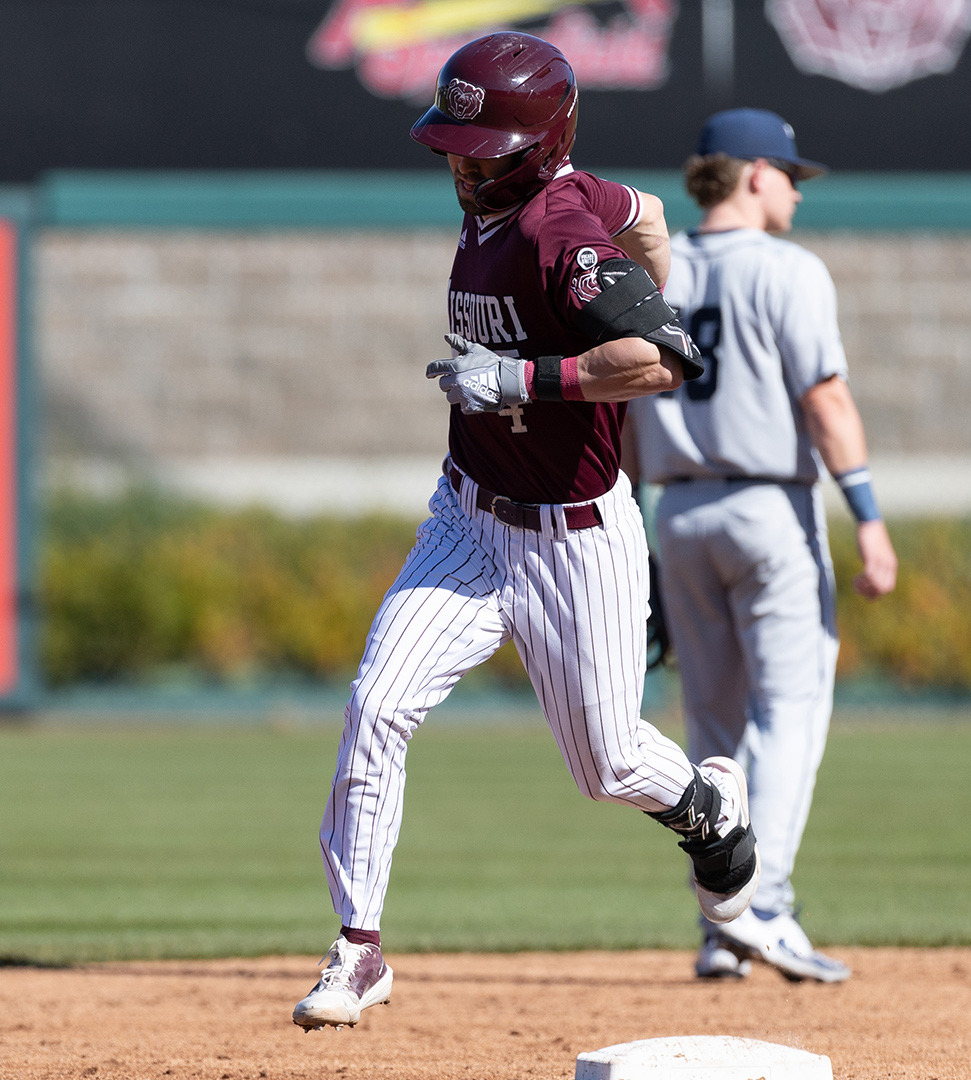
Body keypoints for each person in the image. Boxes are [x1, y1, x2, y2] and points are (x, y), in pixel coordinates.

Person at [292, 32, 760, 1030]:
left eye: (483, 147)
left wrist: (522, 378)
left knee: (603, 767)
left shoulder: (554, 234)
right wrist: (650, 255)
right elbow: (647, 213)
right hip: (467, 517)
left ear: (537, 146)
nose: (461, 162)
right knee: (377, 705)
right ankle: (359, 948)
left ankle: (705, 805)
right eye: (455, 144)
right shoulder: (539, 203)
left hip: (574, 539)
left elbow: (666, 360)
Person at [623, 109, 900, 983]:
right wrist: (870, 518)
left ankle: (718, 920)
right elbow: (826, 403)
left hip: (679, 514)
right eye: (787, 174)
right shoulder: (787, 270)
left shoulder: (648, 271)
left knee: (712, 720)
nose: (794, 191)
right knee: (791, 710)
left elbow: (626, 414)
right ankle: (762, 904)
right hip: (768, 511)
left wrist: (635, 538)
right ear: (750, 175)